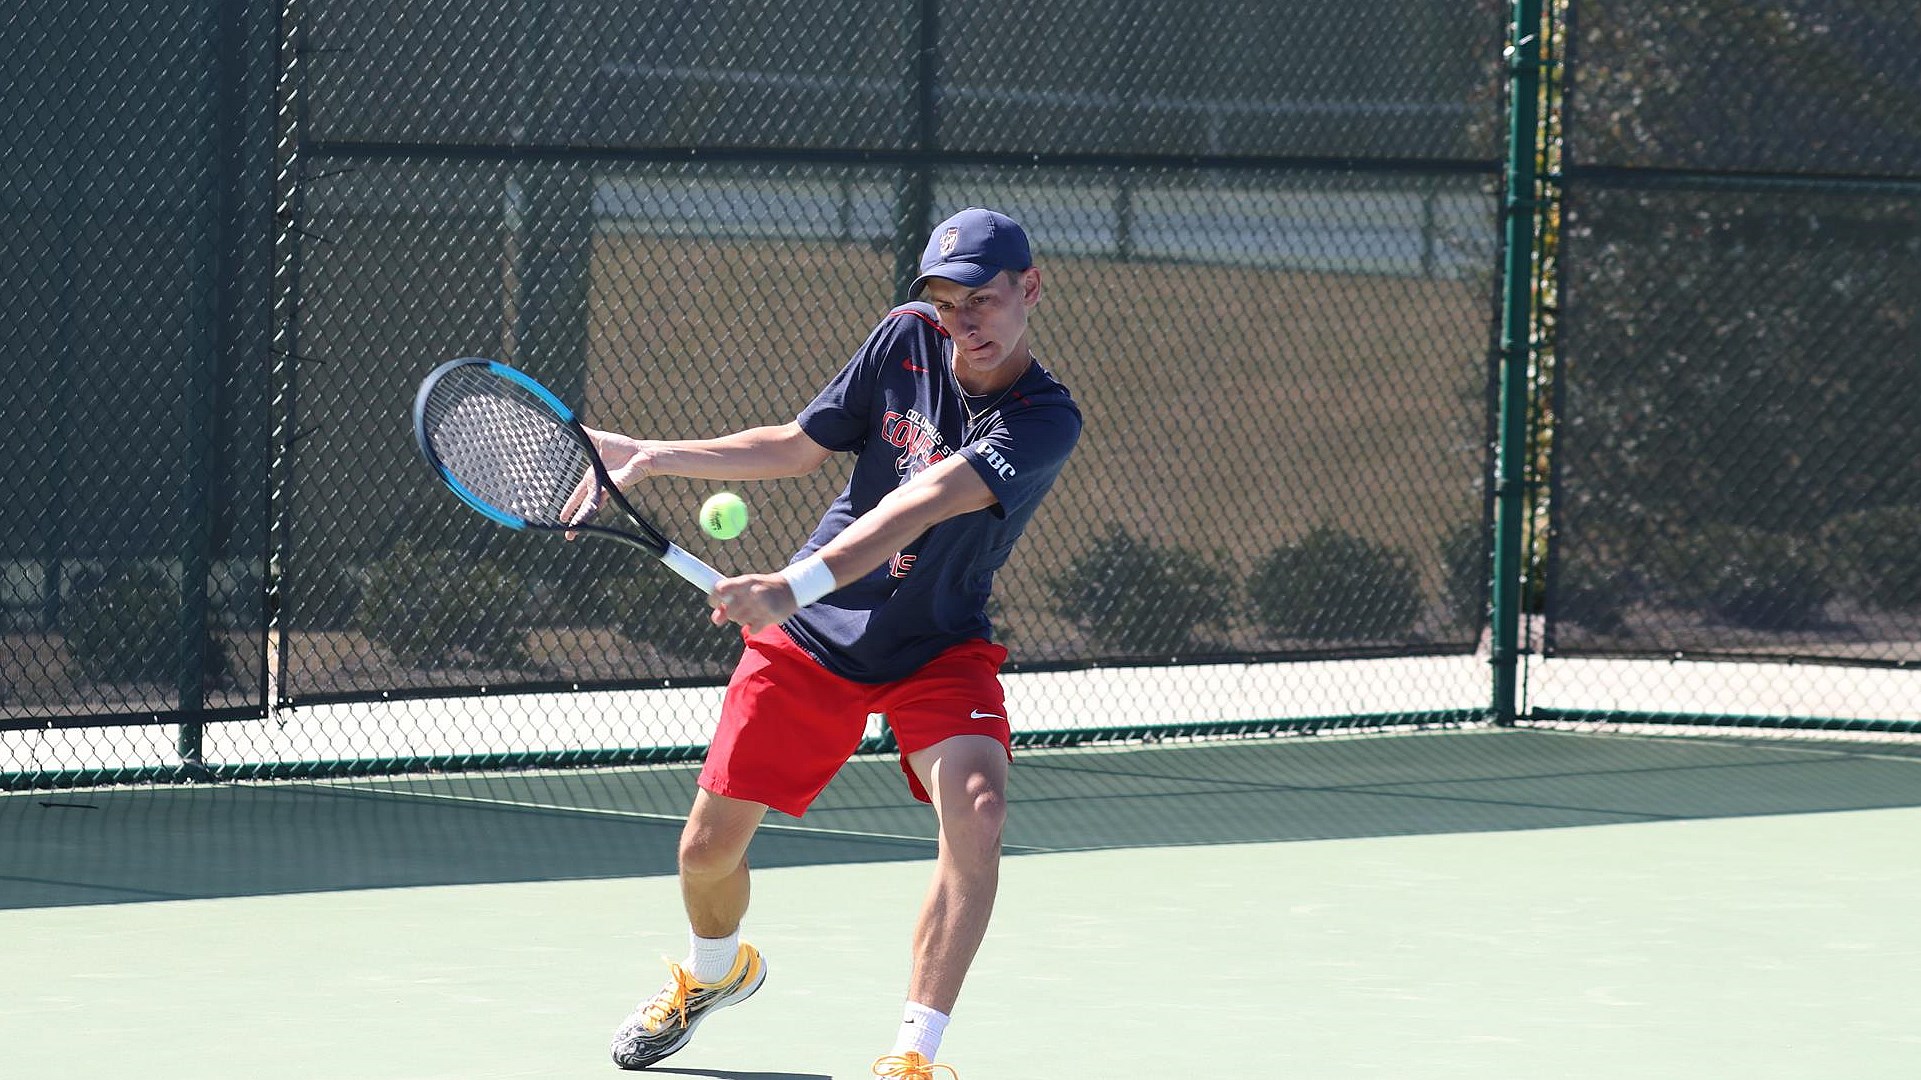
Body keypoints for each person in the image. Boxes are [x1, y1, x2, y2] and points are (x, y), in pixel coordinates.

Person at [591, 207, 1082, 1079]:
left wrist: (787, 584)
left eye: (981, 298)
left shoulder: (1045, 418)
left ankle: (912, 1056)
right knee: (705, 853)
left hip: (935, 644)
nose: (960, 319)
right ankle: (716, 974)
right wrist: (649, 454)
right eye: (943, 298)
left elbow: (920, 503)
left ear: (1029, 289)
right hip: (813, 638)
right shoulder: (902, 340)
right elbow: (793, 446)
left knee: (978, 809)